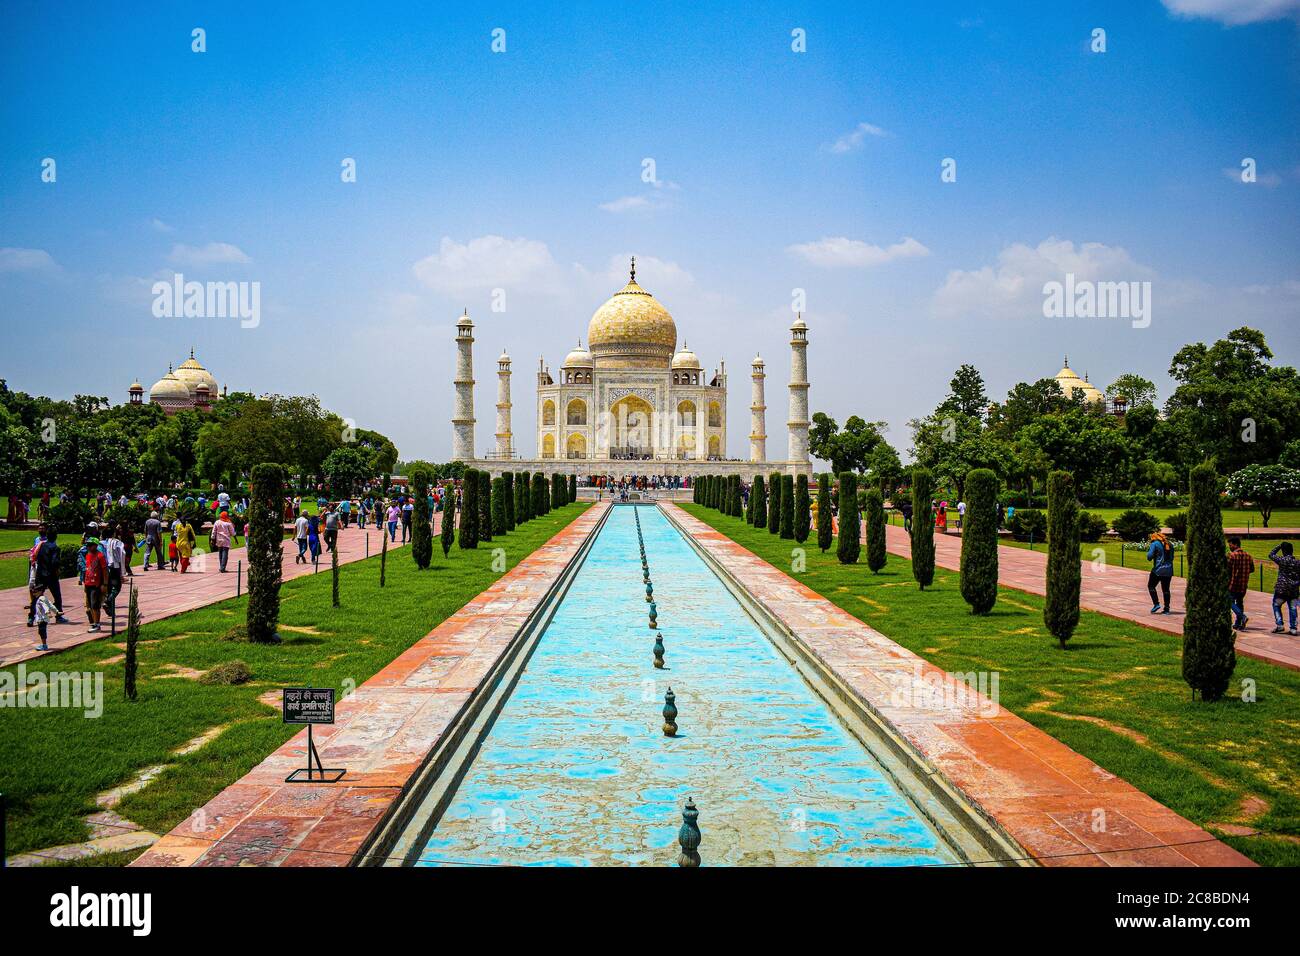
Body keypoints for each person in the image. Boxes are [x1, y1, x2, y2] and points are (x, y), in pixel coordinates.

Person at [1267, 542, 1300, 636]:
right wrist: (1297, 583)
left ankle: (1280, 624)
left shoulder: (1282, 560)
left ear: (1283, 551)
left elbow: (1271, 554)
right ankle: (1293, 628)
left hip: (1281, 589)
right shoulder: (1297, 562)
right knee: (1293, 608)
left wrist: (1279, 546)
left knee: (1276, 605)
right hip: (1293, 589)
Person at [1227, 537, 1255, 631]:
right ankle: (1238, 624)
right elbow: (1252, 569)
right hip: (1243, 584)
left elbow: (1227, 569)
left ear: (1235, 544)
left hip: (1233, 583)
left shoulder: (1232, 555)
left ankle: (1242, 616)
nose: (1229, 547)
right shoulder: (1248, 556)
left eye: (1230, 545)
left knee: (1229, 601)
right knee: (1240, 603)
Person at [82, 537, 107, 632]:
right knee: (90, 605)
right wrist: (85, 583)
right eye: (87, 545)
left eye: (90, 545)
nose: (88, 546)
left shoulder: (100, 556)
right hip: (88, 583)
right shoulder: (88, 555)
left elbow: (105, 571)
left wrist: (104, 584)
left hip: (96, 584)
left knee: (95, 605)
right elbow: (87, 570)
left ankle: (97, 624)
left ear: (95, 545)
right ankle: (94, 623)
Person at [1146, 531, 1174, 614]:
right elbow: (1171, 558)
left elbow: (1149, 557)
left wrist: (1154, 555)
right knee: (1166, 589)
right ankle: (1167, 609)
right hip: (1169, 570)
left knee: (1151, 586)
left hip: (1158, 569)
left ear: (1154, 538)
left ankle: (1156, 604)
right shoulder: (1170, 544)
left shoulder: (1155, 544)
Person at [32, 584, 58, 651]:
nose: (33, 594)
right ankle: (44, 645)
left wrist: (48, 613)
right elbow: (50, 605)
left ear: (40, 591)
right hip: (44, 619)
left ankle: (44, 646)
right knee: (42, 631)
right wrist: (57, 612)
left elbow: (45, 606)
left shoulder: (40, 599)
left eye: (35, 592)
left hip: (42, 619)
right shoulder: (44, 598)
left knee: (42, 632)